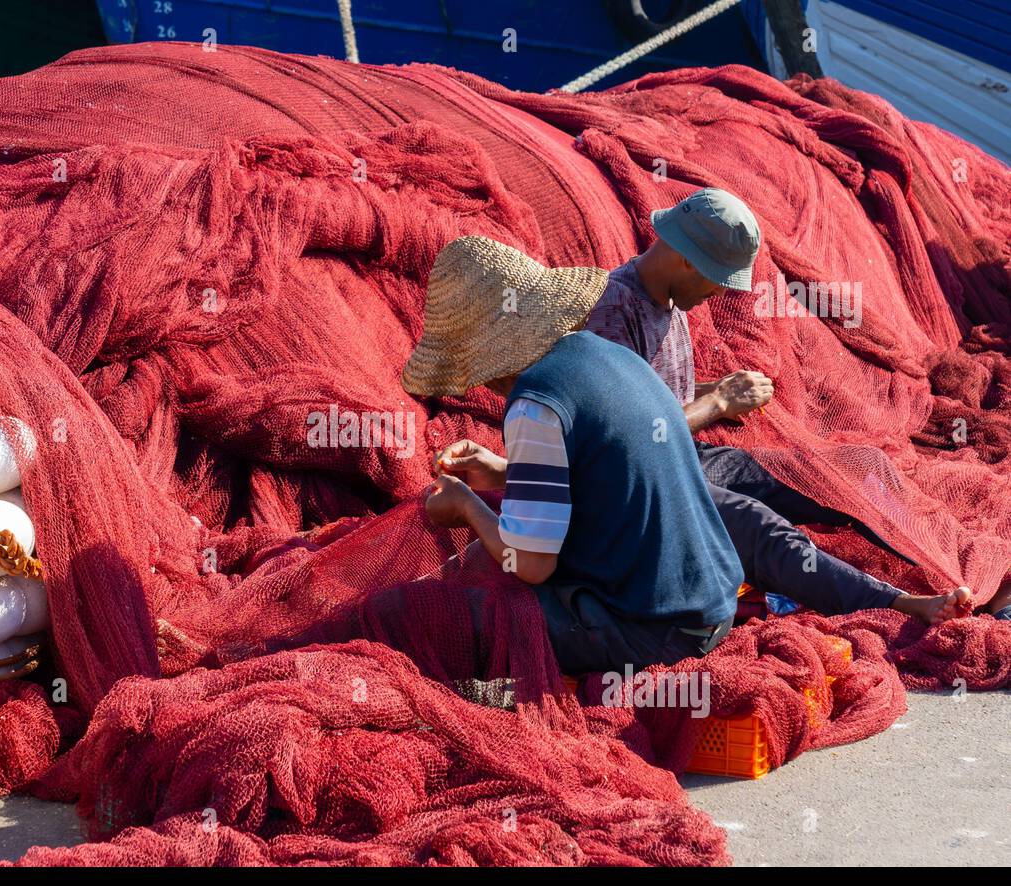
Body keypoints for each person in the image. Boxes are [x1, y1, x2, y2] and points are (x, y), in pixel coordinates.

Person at [578, 187, 985, 623]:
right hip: (641, 486)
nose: (718, 293)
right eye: (717, 278)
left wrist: (714, 389)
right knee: (760, 527)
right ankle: (901, 604)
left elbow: (652, 395)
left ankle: (951, 572)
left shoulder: (670, 297)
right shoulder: (611, 310)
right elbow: (631, 440)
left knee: (841, 473)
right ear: (686, 260)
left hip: (688, 457)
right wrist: (717, 402)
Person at [401, 235, 743, 674]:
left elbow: (530, 565)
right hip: (713, 605)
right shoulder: (614, 356)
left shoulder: (535, 402)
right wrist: (501, 472)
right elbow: (603, 473)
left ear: (480, 359)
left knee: (433, 618)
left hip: (659, 631)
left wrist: (466, 507)